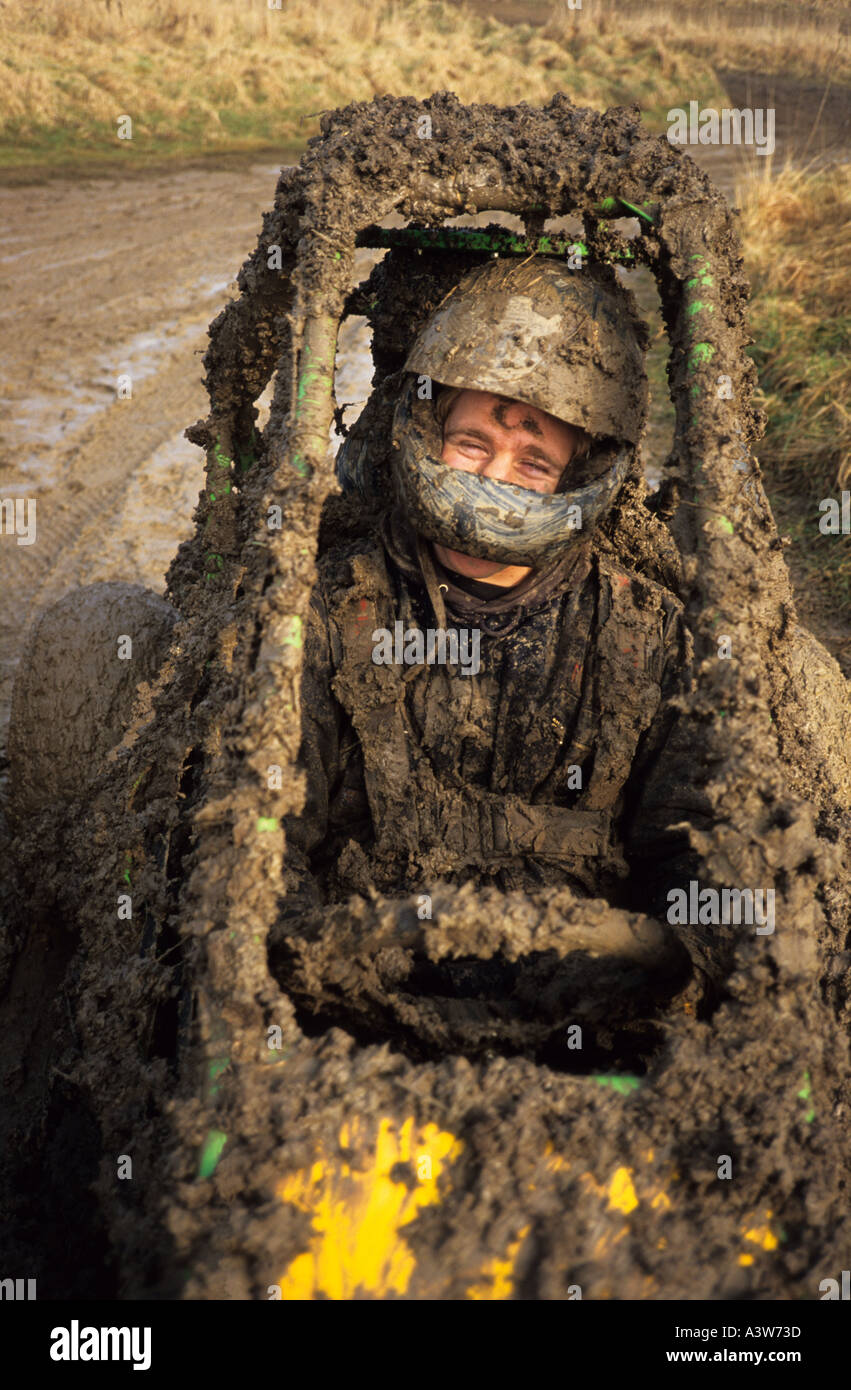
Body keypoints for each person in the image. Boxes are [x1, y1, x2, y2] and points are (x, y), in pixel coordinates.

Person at [282, 256, 706, 924]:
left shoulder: (649, 635)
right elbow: (270, 835)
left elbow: (689, 847)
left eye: (533, 462)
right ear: (426, 434)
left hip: (579, 989)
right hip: (356, 968)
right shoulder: (327, 612)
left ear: (580, 476)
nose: (494, 479)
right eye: (471, 443)